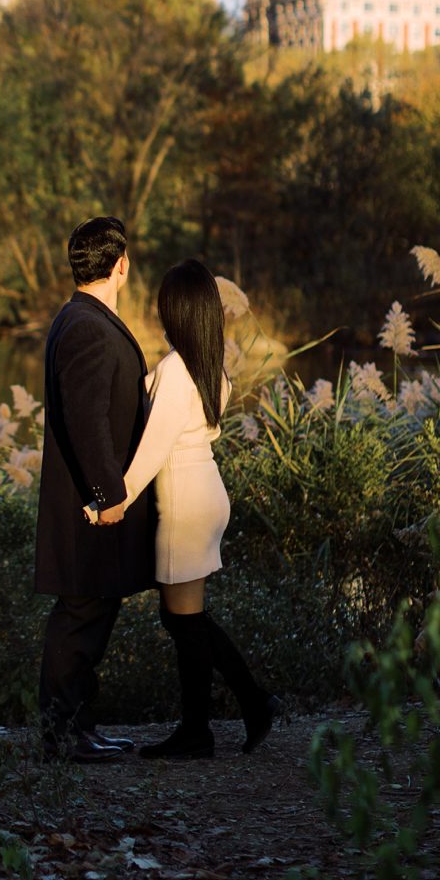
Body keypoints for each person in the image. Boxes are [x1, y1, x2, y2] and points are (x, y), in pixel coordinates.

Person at [119, 258, 281, 758]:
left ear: (177, 313)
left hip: (186, 499)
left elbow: (156, 445)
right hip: (205, 490)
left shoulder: (175, 369)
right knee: (183, 618)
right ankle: (203, 727)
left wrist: (117, 498)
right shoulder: (209, 368)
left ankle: (242, 709)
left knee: (186, 620)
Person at [34, 215, 157, 762]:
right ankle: (64, 735)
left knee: (91, 611)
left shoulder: (78, 316)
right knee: (81, 614)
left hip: (92, 500)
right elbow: (88, 420)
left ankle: (78, 728)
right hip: (90, 505)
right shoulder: (85, 324)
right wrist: (109, 497)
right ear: (122, 265)